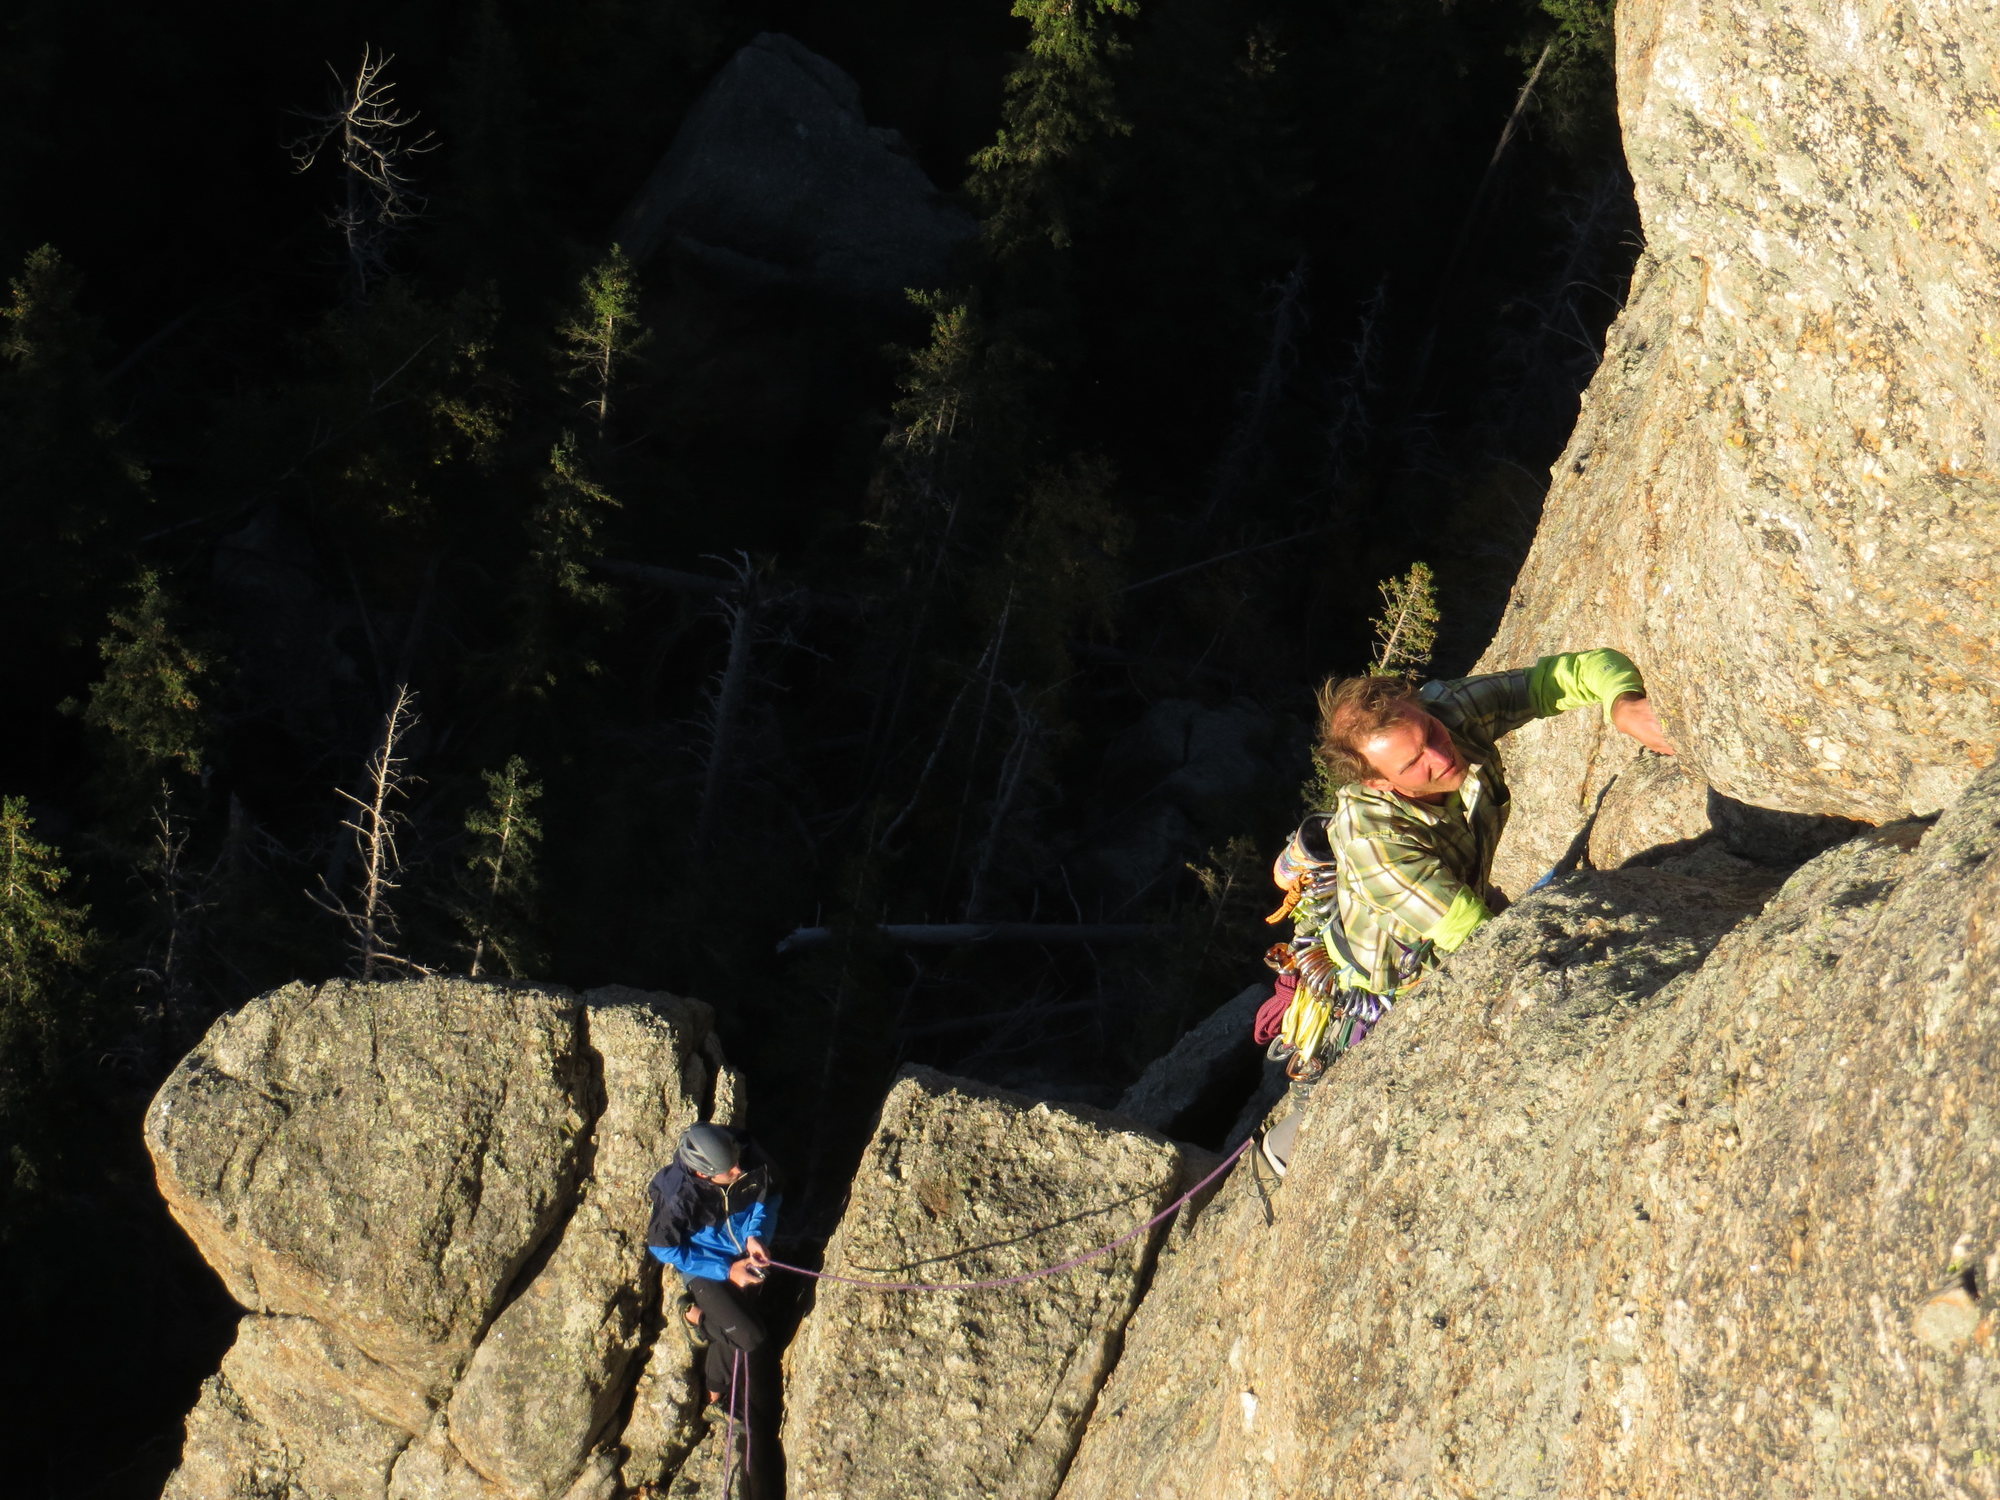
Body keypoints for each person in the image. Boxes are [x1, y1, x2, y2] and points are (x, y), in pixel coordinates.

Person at [1259, 648, 1674, 1175]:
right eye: (1415, 763)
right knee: (1327, 1114)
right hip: (1389, 977)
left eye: (1430, 731)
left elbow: (1564, 675)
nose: (1441, 753)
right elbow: (1478, 941)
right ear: (1378, 783)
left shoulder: (1445, 716)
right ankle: (1291, 1136)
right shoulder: (1374, 843)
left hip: (1457, 906)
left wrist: (1623, 703)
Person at [645, 1122, 782, 1484]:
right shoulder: (681, 1197)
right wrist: (726, 1269)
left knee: (736, 1329)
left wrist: (756, 1235)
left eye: (736, 1161)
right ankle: (698, 1319)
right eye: (729, 1171)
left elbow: (769, 1195)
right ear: (702, 1172)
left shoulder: (745, 1154)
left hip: (744, 1254)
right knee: (750, 1337)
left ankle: (716, 1393)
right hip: (706, 1269)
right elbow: (663, 1248)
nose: (738, 1171)